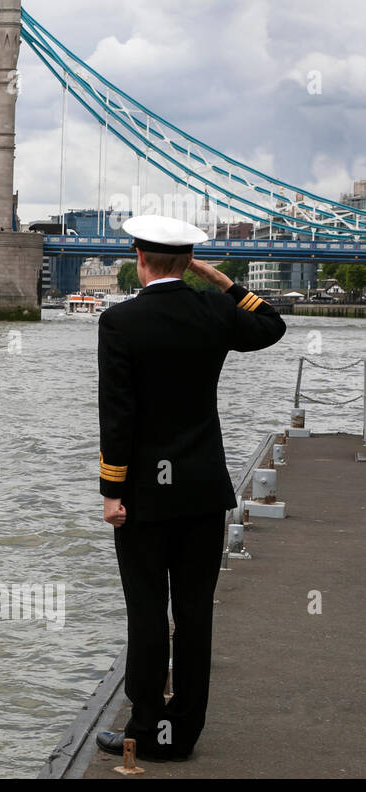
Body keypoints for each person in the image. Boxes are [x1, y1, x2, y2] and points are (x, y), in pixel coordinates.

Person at [95, 215, 286, 763]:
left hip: (144, 499)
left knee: (148, 610)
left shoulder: (121, 321)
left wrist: (112, 491)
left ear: (139, 257)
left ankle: (145, 728)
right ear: (188, 262)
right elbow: (271, 325)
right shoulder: (214, 310)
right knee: (196, 612)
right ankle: (182, 735)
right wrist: (221, 281)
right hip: (204, 492)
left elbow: (119, 416)